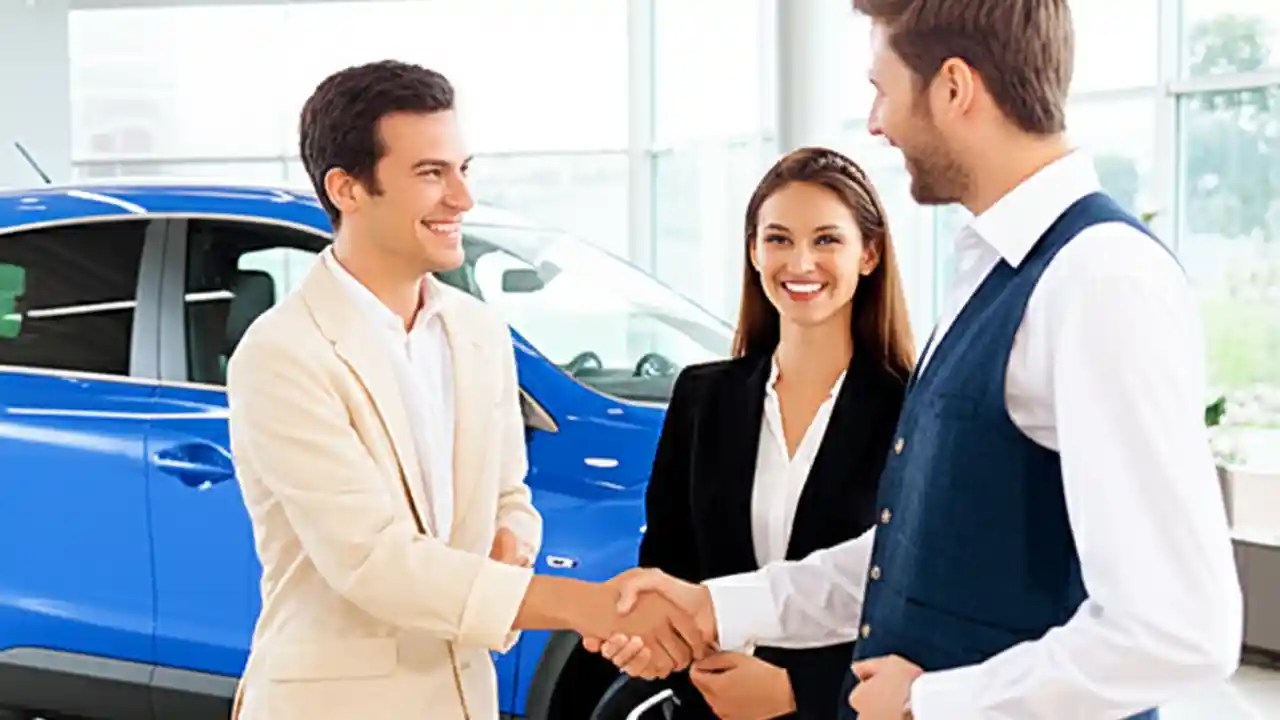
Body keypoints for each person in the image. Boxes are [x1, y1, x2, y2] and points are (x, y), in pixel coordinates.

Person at [589, 1, 1244, 718]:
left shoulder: (1101, 280)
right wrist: (717, 605)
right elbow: (909, 552)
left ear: (953, 87)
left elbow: (1178, 631)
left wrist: (931, 701)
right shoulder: (991, 276)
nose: (876, 123)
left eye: (882, 87)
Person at [226, 60, 707, 720]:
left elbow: (510, 492)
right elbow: (375, 561)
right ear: (348, 189)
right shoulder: (283, 352)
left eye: (463, 168)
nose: (462, 198)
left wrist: (512, 541)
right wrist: (587, 604)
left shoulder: (478, 332)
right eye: (431, 173)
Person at [592, 147, 914, 720]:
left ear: (869, 253)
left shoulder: (911, 409)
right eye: (779, 239)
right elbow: (671, 569)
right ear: (753, 250)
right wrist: (652, 645)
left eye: (826, 240)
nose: (800, 262)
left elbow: (911, 601)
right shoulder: (703, 397)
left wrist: (802, 692)